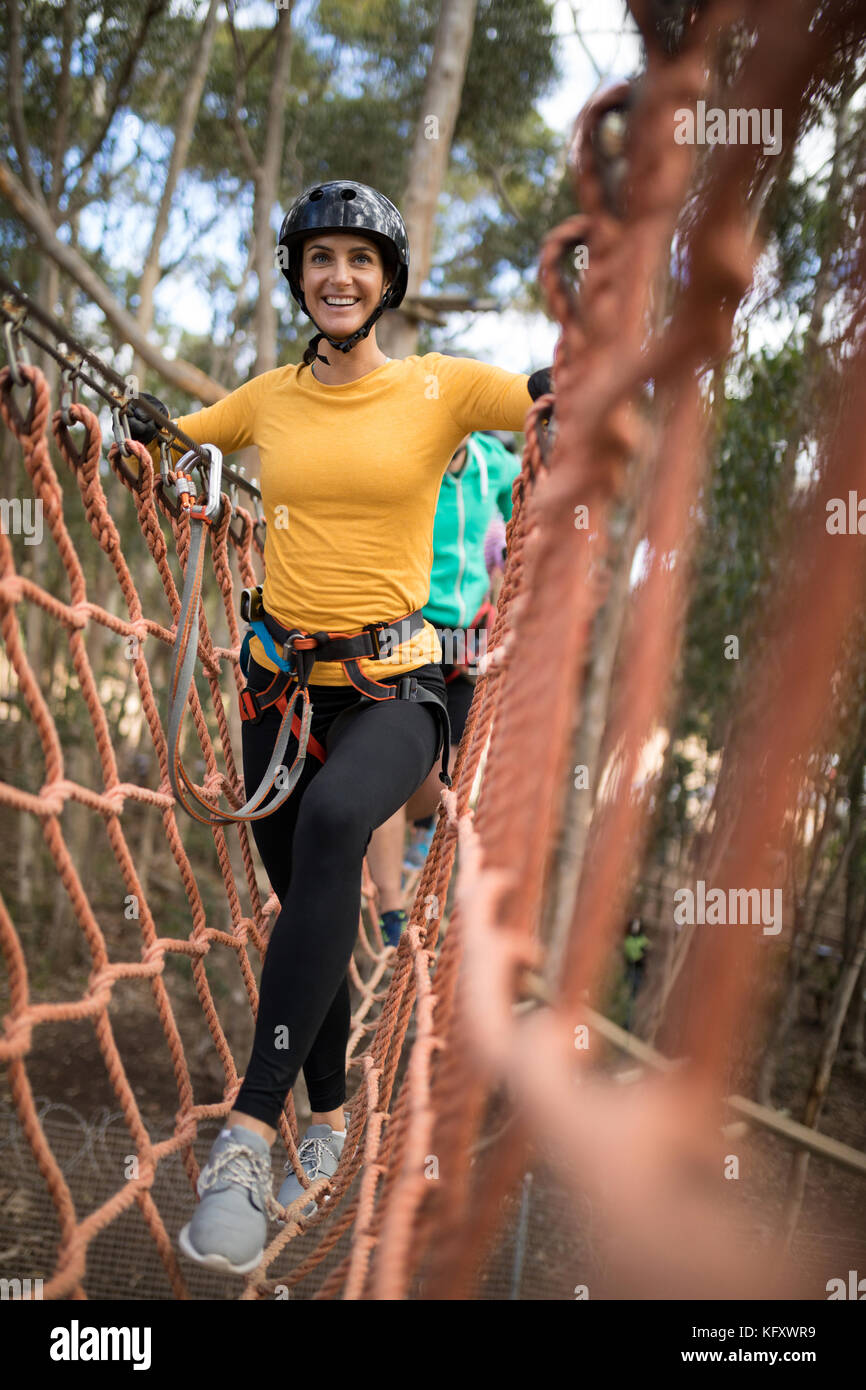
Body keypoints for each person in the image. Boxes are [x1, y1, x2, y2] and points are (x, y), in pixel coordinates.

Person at [129, 179, 552, 1274]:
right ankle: (328, 1107)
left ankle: (248, 1133)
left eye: (361, 260)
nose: (339, 276)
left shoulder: (439, 387)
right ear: (297, 276)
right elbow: (172, 438)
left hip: (396, 692)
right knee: (300, 903)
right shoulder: (266, 400)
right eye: (320, 258)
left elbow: (546, 406)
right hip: (274, 686)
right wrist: (120, 431)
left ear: (389, 281)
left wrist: (589, 371)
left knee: (331, 830)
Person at [366, 427, 520, 945]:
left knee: (447, 780)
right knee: (390, 765)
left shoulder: (491, 462)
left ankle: (416, 824)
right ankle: (390, 908)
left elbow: (526, 497)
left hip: (469, 634)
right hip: (410, 627)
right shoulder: (410, 454)